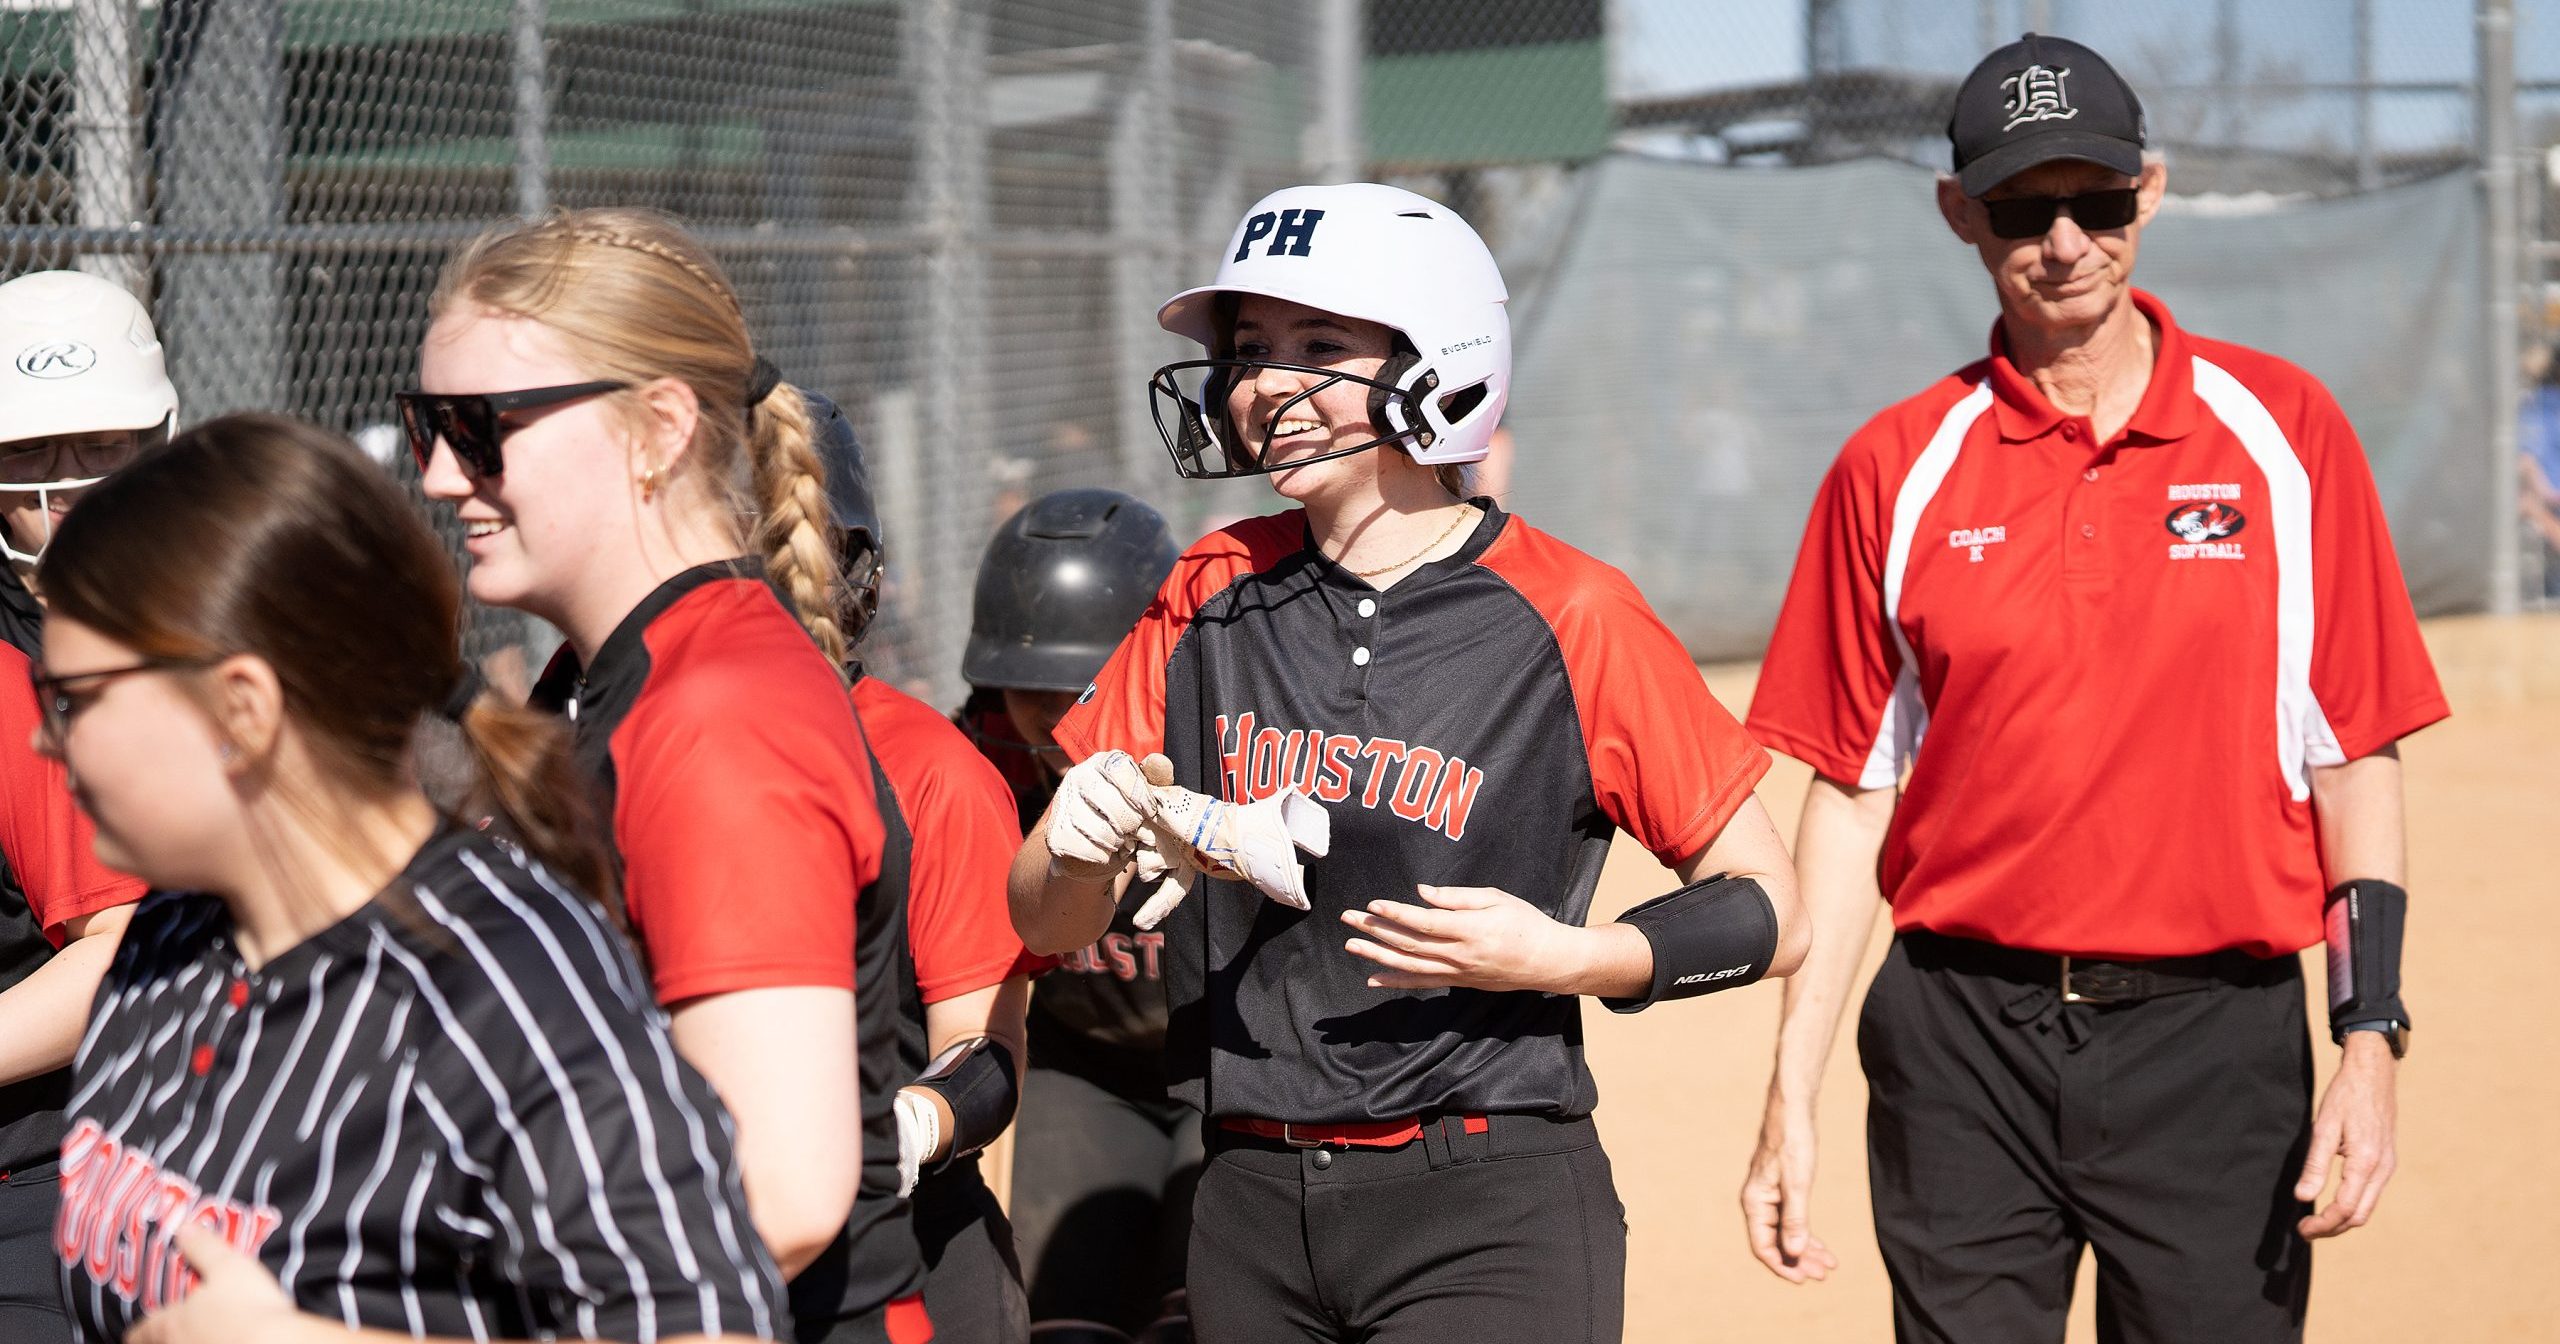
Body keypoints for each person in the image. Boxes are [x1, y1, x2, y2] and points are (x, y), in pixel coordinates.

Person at [1738, 35, 2449, 1343]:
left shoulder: (2285, 434)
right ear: (1958, 213)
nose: (2065, 243)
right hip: (1961, 1046)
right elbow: (1849, 798)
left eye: (2098, 201)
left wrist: (2370, 1038)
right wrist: (1791, 1089)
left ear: (2150, 191)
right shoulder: (1893, 467)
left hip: (2216, 1051)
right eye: (2022, 210)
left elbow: (2353, 758)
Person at [1007, 182, 1807, 1343]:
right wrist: (1077, 840)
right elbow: (1042, 921)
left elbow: (1773, 912)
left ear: (1443, 359)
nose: (1265, 383)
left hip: (1483, 1204)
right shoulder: (1209, 588)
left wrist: (1569, 959)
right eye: (1249, 349)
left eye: (1318, 347)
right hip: (1247, 1202)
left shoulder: (1571, 610)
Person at [36, 413, 785, 1343]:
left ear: (242, 709)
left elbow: (708, 1325)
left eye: (72, 700)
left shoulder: (503, 985)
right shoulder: (173, 929)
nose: (43, 738)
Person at [411, 207, 929, 1344]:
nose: (443, 475)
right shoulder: (612, 681)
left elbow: (775, 1192)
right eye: (426, 426)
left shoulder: (718, 712)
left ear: (657, 427)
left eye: (481, 427)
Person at [808, 392, 1037, 1344]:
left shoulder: (928, 770)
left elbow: (983, 1058)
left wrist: (904, 1126)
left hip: (904, 1238)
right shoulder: (594, 734)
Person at [954, 489, 1189, 1342]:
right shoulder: (981, 772)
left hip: (1224, 1063)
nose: (1059, 722)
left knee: (1203, 1317)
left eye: (1082, 687)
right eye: (1031, 692)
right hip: (1083, 1067)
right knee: (1064, 1323)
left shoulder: (1222, 741)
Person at [0, 270, 161, 1342]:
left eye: (98, 447)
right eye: (27, 455)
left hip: (78, 1169)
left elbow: (115, 945)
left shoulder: (240, 610)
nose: (63, 493)